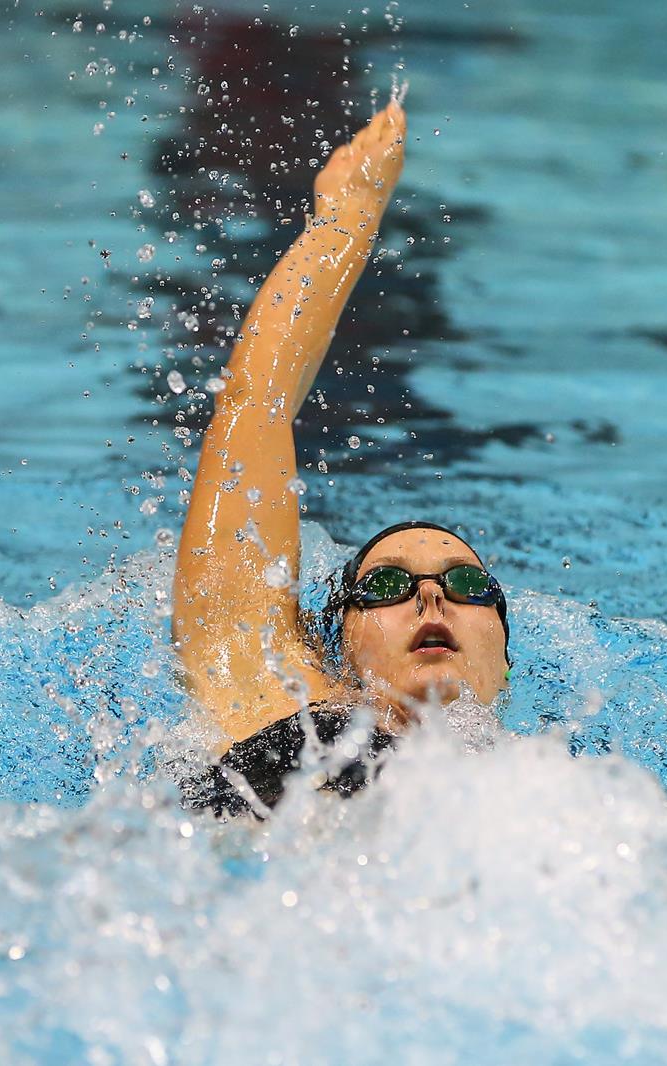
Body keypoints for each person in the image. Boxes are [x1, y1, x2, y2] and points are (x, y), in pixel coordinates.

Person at [172, 100, 511, 816]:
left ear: (505, 664)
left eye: (468, 586)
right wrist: (346, 219)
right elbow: (252, 408)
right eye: (386, 585)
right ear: (338, 650)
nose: (431, 598)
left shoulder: (559, 796)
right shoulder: (269, 694)